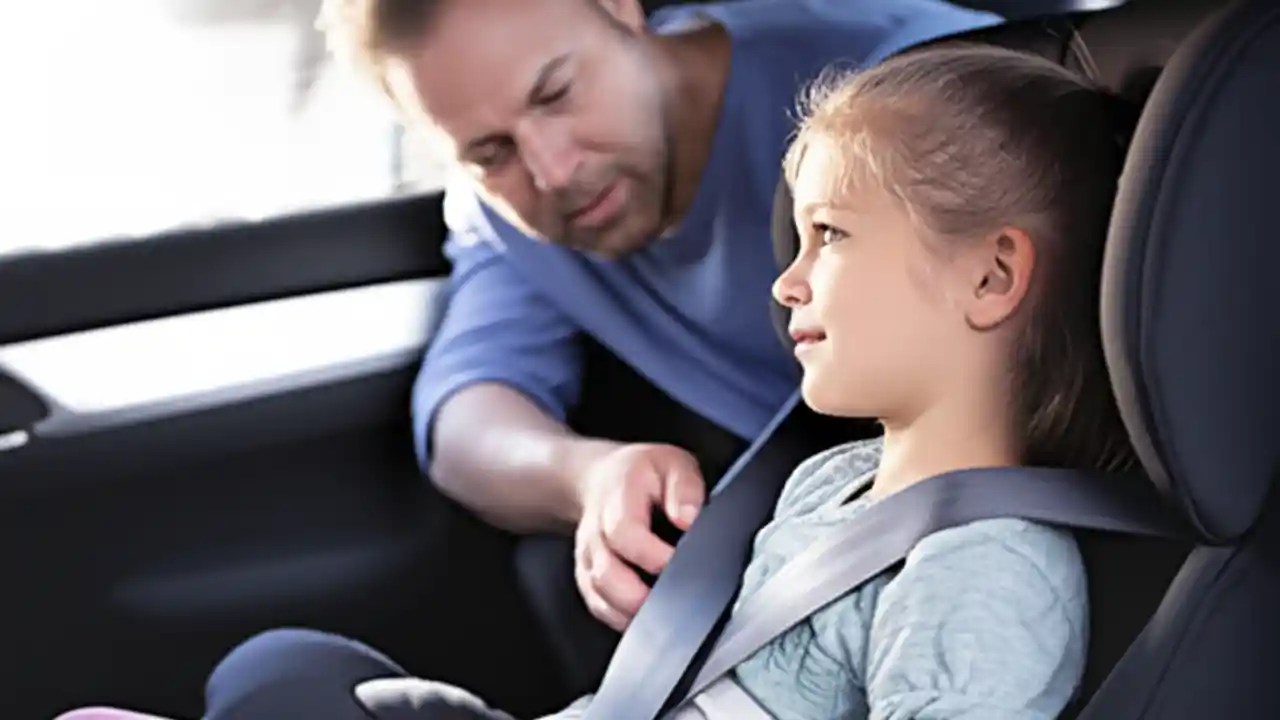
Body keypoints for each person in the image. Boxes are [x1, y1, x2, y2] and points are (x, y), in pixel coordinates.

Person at [58, 41, 1138, 720]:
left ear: (990, 276)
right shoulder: (829, 483)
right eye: (488, 151)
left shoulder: (989, 572)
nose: (786, 280)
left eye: (831, 236)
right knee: (274, 667)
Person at [325, 0, 1001, 678]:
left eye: (556, 94)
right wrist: (587, 478)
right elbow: (466, 411)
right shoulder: (506, 218)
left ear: (621, 8)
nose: (553, 171)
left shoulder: (905, 90)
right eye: (489, 152)